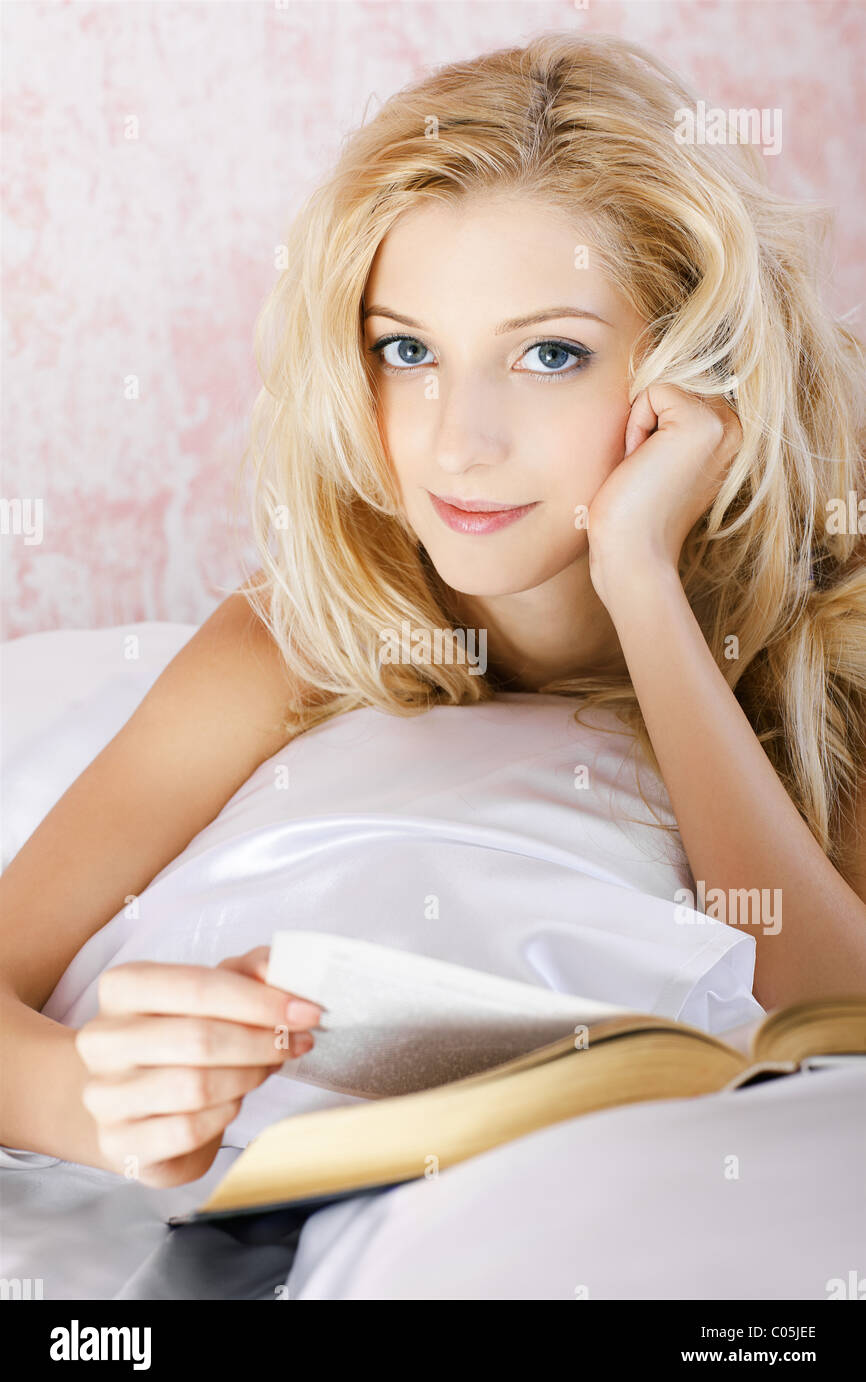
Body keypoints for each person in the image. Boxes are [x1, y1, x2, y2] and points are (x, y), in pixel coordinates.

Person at [1, 31, 864, 1193]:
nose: (459, 441)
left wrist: (642, 585)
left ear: (688, 370)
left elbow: (835, 1033)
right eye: (406, 350)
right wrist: (100, 1108)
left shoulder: (828, 646)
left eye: (549, 354)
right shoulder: (295, 636)